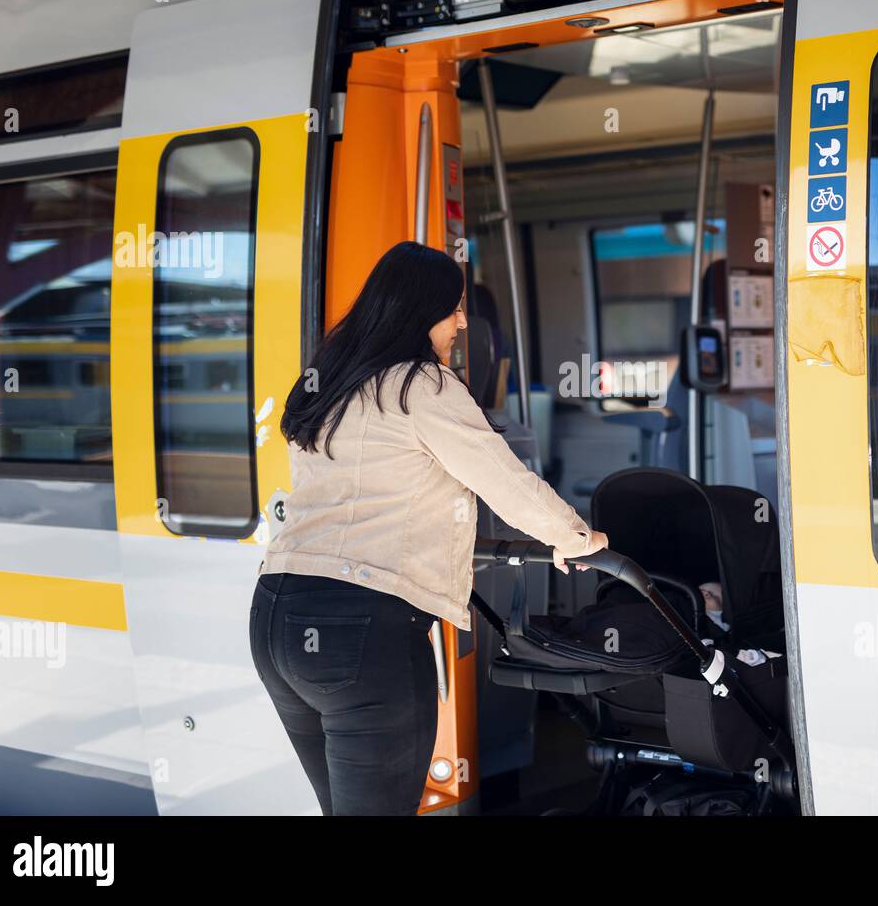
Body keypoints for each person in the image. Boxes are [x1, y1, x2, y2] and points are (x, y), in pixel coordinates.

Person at [248, 240, 608, 815]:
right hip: (362, 630)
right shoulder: (423, 385)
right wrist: (578, 539)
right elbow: (503, 480)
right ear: (420, 310)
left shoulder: (332, 383)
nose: (464, 321)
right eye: (455, 306)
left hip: (277, 619)